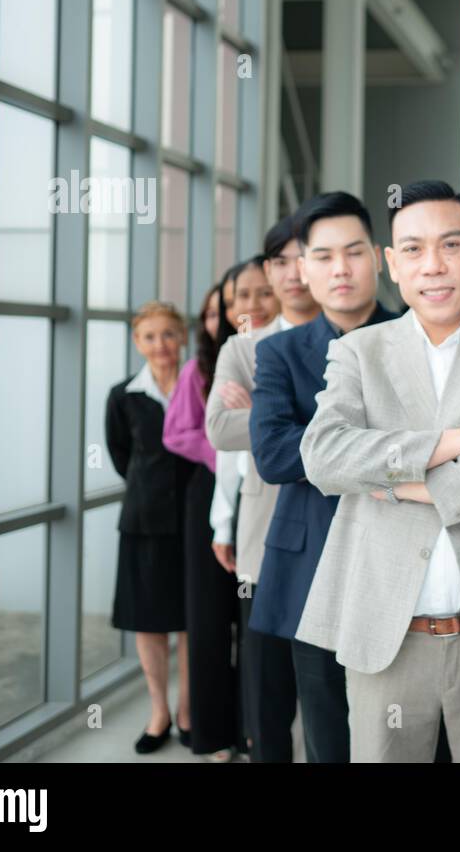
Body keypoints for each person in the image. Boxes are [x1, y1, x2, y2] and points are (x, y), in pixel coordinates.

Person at [295, 180, 460, 762]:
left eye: (451, 246)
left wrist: (394, 487)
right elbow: (323, 454)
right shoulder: (360, 351)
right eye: (414, 249)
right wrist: (445, 443)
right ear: (391, 264)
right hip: (386, 636)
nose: (433, 266)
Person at [248, 192, 398, 763]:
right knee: (327, 733)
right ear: (303, 268)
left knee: (402, 732)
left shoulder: (412, 334)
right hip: (311, 564)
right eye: (325, 256)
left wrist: (333, 449)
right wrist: (388, 451)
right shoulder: (281, 352)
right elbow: (273, 455)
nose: (341, 269)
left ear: (378, 259)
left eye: (355, 253)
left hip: (398, 559)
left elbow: (441, 449)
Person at [205, 217, 320, 762]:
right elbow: (218, 429)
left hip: (344, 537)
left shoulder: (358, 339)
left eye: (303, 257)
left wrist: (266, 416)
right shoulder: (243, 349)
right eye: (279, 262)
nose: (292, 272)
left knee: (333, 702)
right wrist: (302, 428)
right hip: (264, 541)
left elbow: (375, 435)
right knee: (267, 699)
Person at [163, 263, 273, 760]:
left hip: (259, 501)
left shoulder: (277, 351)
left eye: (258, 293)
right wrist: (230, 433)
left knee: (256, 633)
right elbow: (207, 437)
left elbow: (244, 433)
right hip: (216, 502)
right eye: (232, 301)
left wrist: (247, 421)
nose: (244, 307)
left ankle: (254, 732)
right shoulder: (210, 363)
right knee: (209, 625)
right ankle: (215, 734)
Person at [105, 300, 196, 754]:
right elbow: (122, 456)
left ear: (182, 336)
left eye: (168, 334)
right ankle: (159, 711)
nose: (160, 345)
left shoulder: (202, 384)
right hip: (142, 525)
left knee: (192, 621)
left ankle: (188, 711)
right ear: (136, 342)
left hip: (194, 523)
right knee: (149, 622)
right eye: (149, 336)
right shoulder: (123, 395)